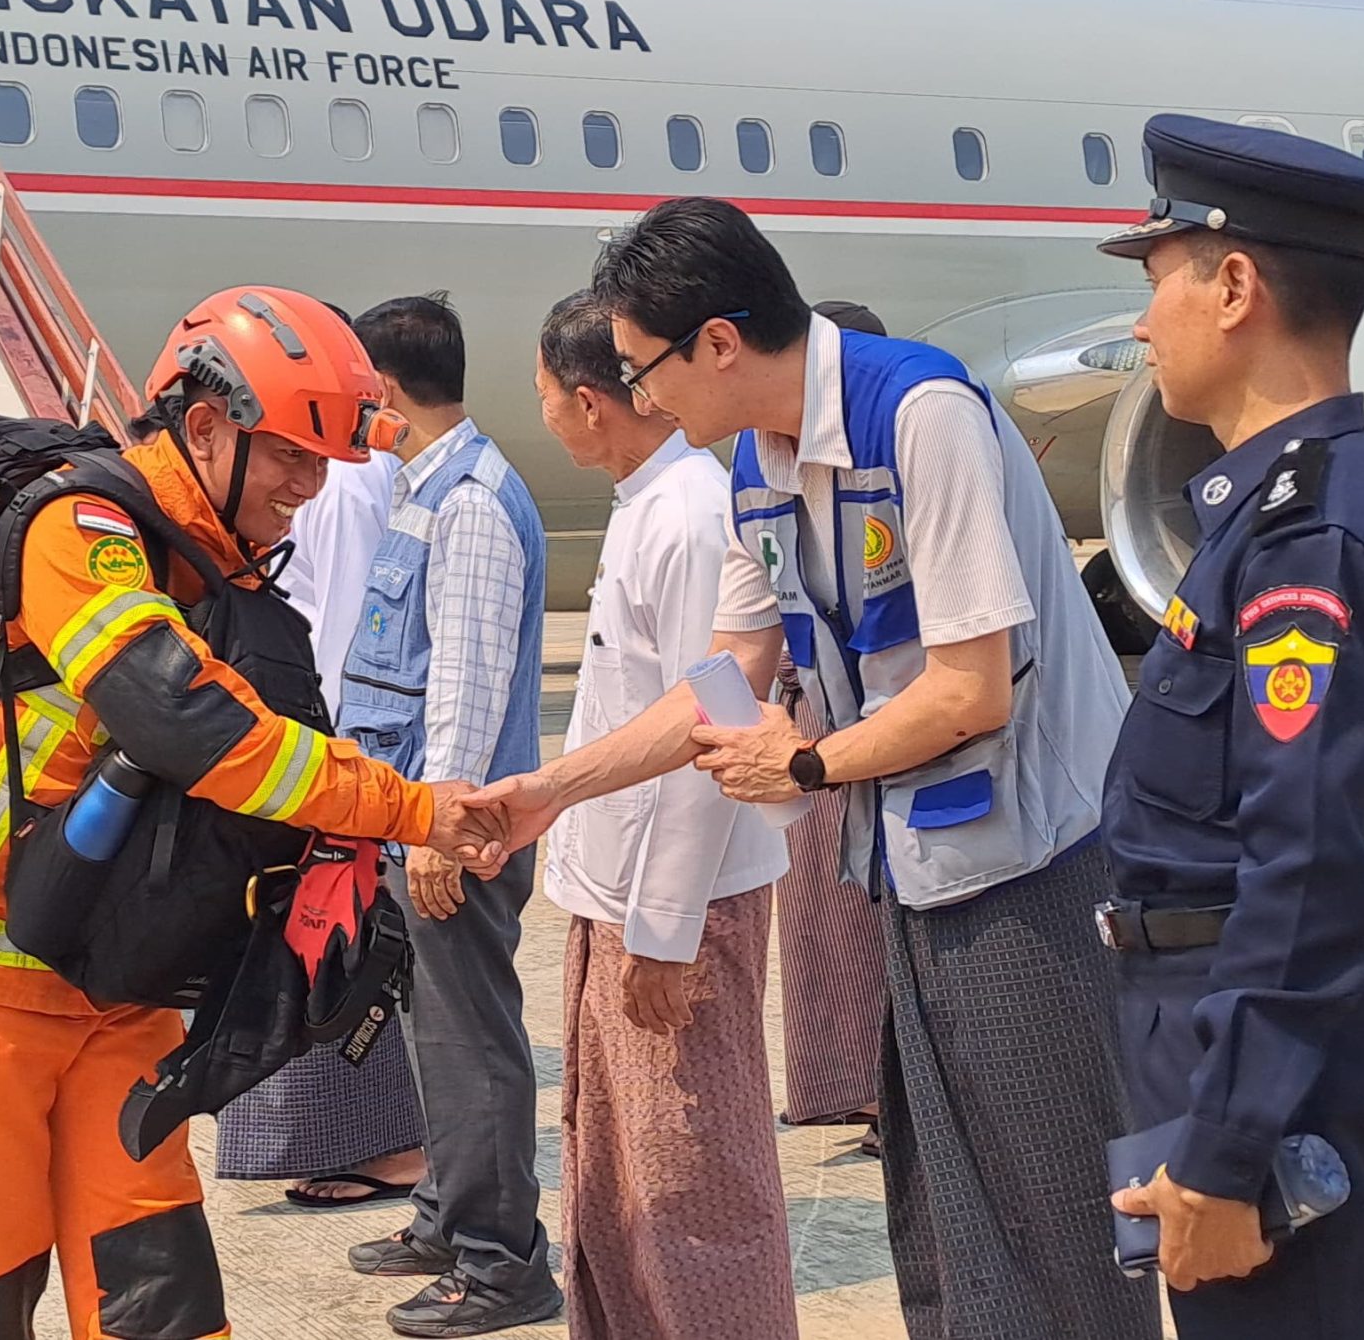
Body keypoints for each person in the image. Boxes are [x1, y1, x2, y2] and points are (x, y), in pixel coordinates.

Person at [468, 197, 1159, 1340]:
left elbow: (970, 689)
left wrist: (804, 760)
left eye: (644, 370)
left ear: (718, 342)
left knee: (1056, 1228)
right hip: (917, 870)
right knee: (942, 1229)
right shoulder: (759, 462)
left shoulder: (920, 413)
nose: (644, 399)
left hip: (1034, 869)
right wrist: (552, 789)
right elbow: (725, 676)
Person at [0, 285, 506, 1340]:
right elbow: (187, 719)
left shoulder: (206, 557)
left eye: (324, 461)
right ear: (207, 427)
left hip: (105, 973)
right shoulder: (81, 527)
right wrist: (408, 805)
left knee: (158, 1288)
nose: (311, 487)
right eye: (292, 456)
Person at [1094, 115, 1364, 1337]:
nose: (1144, 322)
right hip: (1223, 1038)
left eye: (1158, 280)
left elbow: (1309, 864)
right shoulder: (1259, 518)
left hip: (1277, 1072)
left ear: (1235, 285)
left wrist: (1226, 1148)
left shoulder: (1316, 539)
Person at [531, 290, 796, 1340]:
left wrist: (663, 930)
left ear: (590, 401)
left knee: (695, 1189)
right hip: (619, 896)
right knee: (620, 1181)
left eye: (545, 394)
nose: (545, 412)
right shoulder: (650, 498)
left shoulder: (688, 510)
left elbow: (708, 731)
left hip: (672, 906)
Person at [336, 293, 560, 1339]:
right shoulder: (421, 488)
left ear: (383, 389)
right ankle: (445, 1218)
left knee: (472, 1045)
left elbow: (467, 677)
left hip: (451, 826)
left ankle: (501, 1264)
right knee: (436, 1037)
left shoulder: (469, 502)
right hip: (415, 816)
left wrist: (441, 822)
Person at [214, 301, 427, 1208]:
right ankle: (360, 1138)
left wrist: (327, 750)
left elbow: (342, 618)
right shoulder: (349, 472)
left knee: (328, 944)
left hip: (316, 734)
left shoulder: (339, 482)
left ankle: (382, 1145)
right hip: (305, 733)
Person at [773, 301, 892, 1150]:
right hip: (806, 719)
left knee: (865, 921)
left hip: (864, 719)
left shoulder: (891, 472)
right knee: (819, 919)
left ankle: (886, 1093)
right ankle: (841, 1083)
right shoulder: (781, 477)